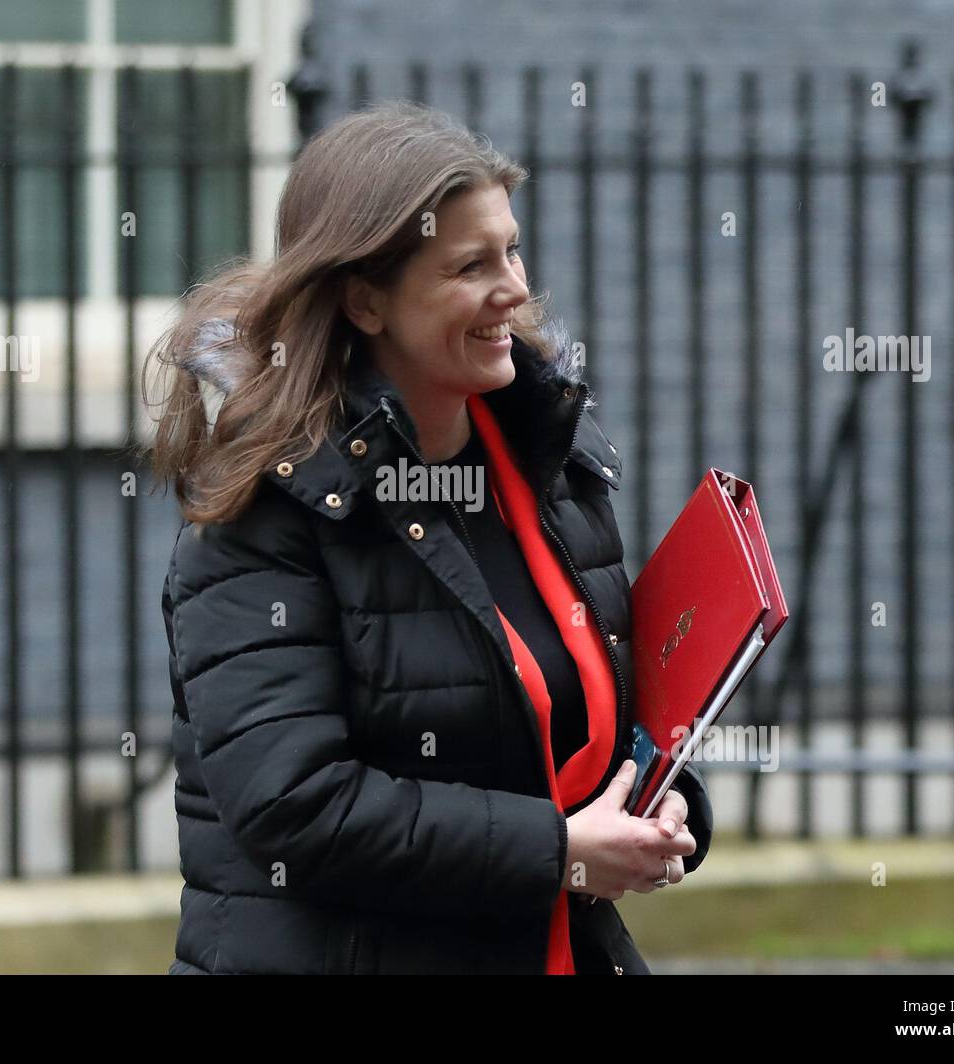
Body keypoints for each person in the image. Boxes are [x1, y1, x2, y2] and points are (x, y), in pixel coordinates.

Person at [145, 100, 713, 975]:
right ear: (366, 300)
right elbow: (297, 808)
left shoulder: (552, 469)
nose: (516, 289)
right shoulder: (267, 515)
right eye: (470, 266)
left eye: (512, 249)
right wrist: (558, 850)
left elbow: (587, 723)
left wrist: (662, 807)